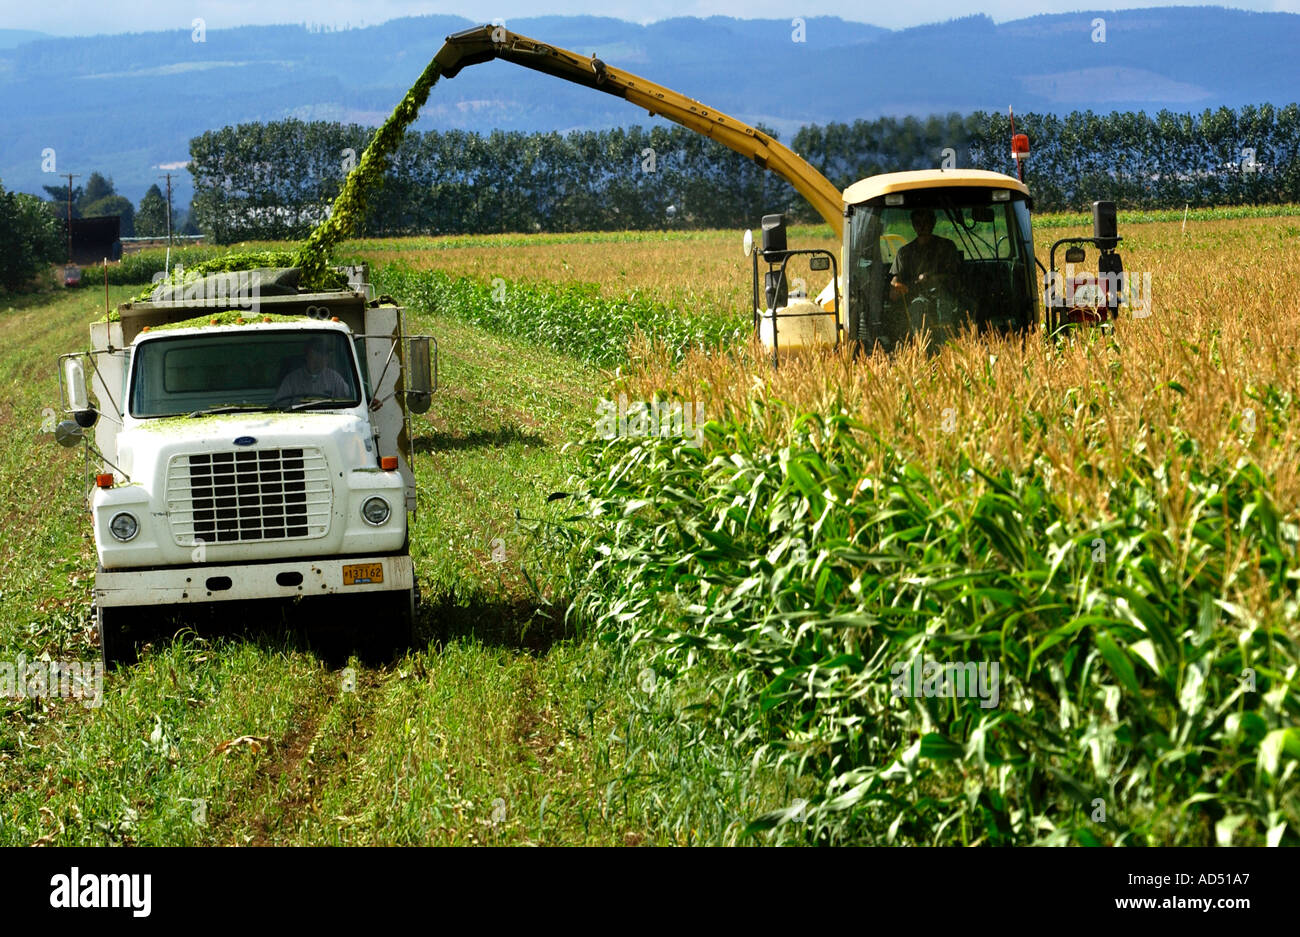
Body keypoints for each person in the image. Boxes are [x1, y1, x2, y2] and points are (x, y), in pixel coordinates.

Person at [889, 208, 961, 300]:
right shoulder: (904, 252)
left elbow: (956, 278)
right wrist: (894, 287)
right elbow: (896, 278)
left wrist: (932, 278)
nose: (922, 227)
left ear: (933, 222)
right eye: (918, 223)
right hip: (915, 298)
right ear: (913, 225)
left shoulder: (947, 247)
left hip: (944, 296)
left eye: (926, 222)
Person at [274, 336, 353, 405]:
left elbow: (350, 399)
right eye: (316, 353)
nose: (321, 358)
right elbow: (279, 404)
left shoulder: (334, 378)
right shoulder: (291, 379)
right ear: (307, 355)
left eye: (324, 354)